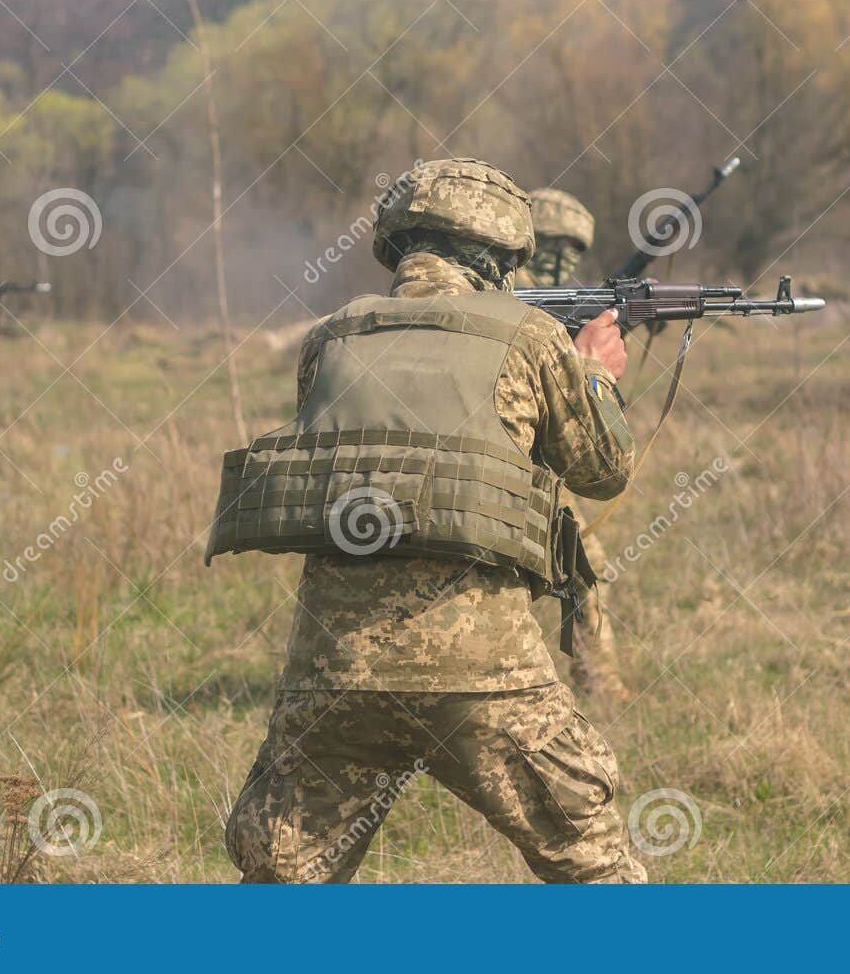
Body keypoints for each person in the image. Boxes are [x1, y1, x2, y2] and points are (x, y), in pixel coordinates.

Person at [209, 157, 646, 883]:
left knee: (283, 884)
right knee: (596, 868)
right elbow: (603, 470)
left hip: (334, 671)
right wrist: (595, 372)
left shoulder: (331, 337)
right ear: (501, 251)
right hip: (486, 675)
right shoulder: (532, 337)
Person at [516, 188, 629, 702]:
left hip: (530, 464)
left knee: (585, 565)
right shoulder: (509, 298)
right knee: (585, 564)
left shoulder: (548, 304)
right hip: (510, 465)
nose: (561, 261)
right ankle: (597, 684)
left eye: (572, 251)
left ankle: (594, 682)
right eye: (551, 247)